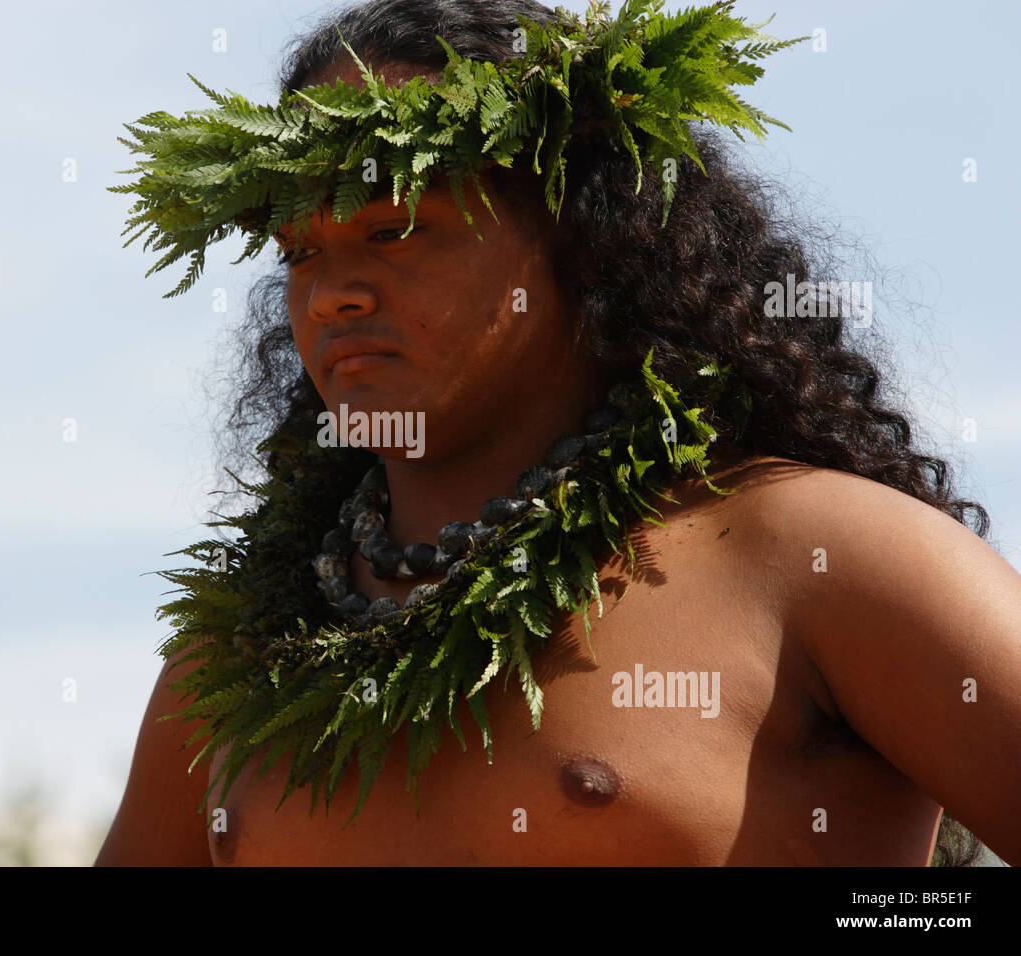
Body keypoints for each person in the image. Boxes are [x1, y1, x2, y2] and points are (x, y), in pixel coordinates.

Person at [96, 0, 1021, 866]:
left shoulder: (818, 559)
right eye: (301, 250)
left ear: (583, 237)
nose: (331, 292)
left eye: (397, 229)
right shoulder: (230, 667)